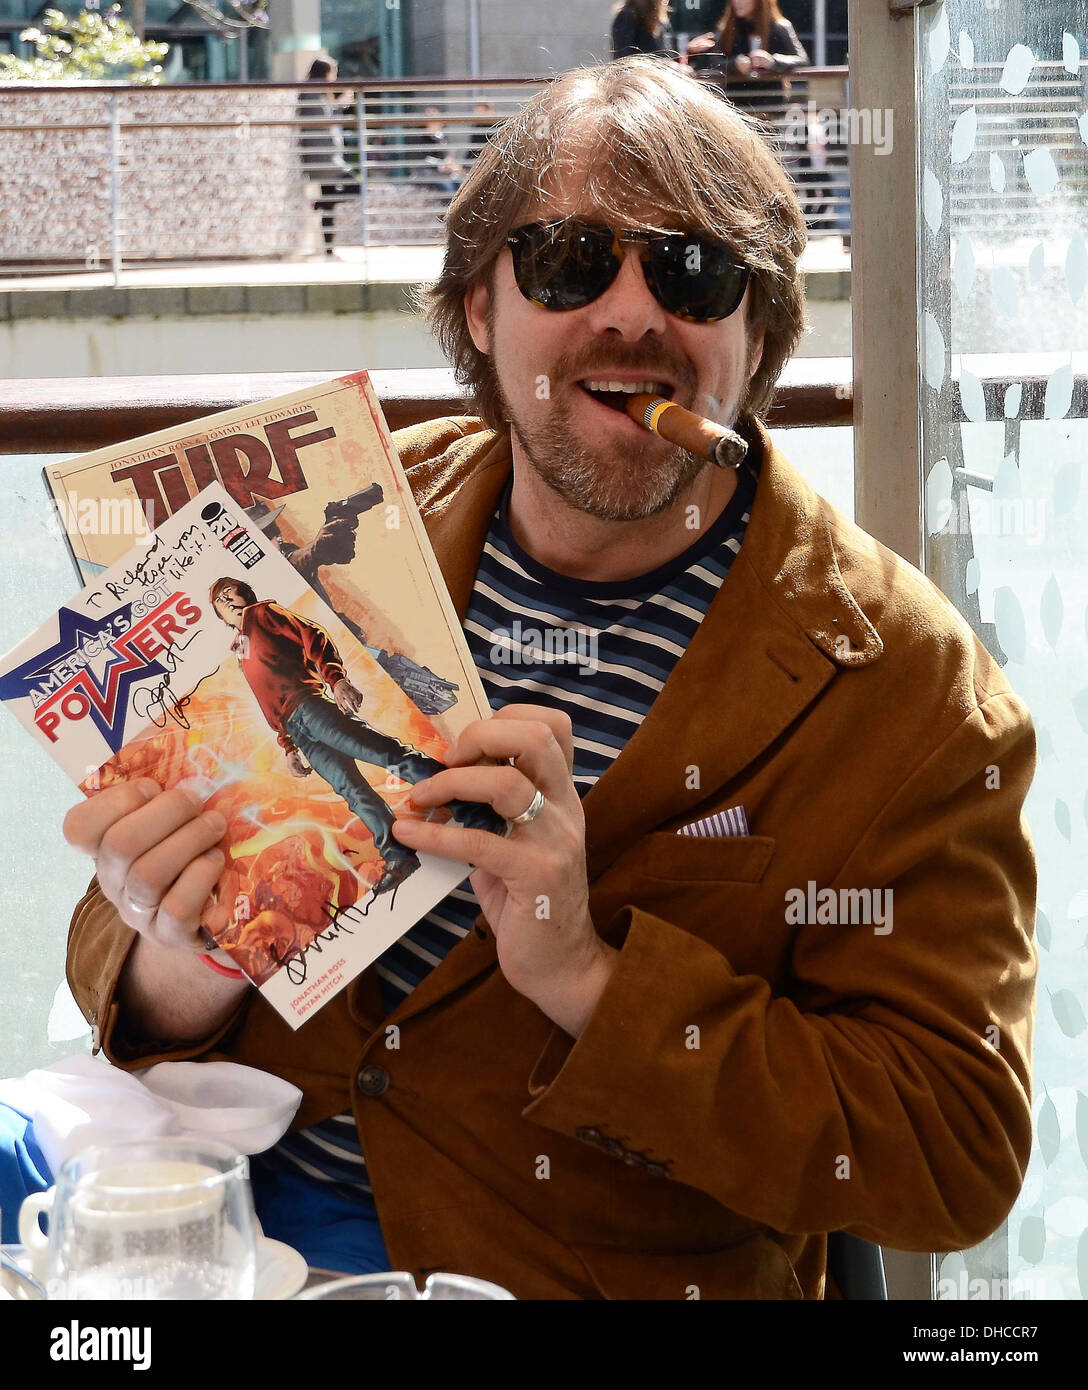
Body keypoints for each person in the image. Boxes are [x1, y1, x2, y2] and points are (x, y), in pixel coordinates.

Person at [50, 58, 1036, 1299]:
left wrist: (588, 977)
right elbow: (120, 944)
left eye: (691, 269)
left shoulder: (906, 691)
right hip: (227, 1233)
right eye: (567, 261)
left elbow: (951, 1154)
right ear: (477, 307)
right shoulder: (332, 514)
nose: (629, 315)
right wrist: (180, 958)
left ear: (757, 330)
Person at [208, 578, 504, 902]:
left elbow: (313, 635)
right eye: (220, 601)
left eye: (229, 593)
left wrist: (336, 680)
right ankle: (397, 854)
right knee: (350, 789)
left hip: (310, 707)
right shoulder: (240, 648)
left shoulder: (263, 614)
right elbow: (265, 698)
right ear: (220, 616)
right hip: (296, 730)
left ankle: (476, 812)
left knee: (387, 755)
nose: (228, 601)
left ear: (246, 593)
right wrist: (288, 746)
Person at [688, 0, 809, 110]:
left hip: (771, 105)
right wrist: (735, 64)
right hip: (737, 106)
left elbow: (802, 60)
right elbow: (714, 62)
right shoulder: (726, 29)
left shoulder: (780, 27)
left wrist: (772, 62)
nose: (737, 2)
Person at [296, 56, 359, 257]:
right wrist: (341, 104)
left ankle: (329, 250)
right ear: (324, 74)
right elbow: (323, 121)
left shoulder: (315, 93)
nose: (335, 78)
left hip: (325, 157)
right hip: (323, 160)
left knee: (330, 203)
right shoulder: (311, 94)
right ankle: (317, 204)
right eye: (333, 73)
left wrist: (340, 105)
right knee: (356, 186)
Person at [403, 105, 463, 197]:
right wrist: (443, 166)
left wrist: (452, 165)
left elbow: (447, 155)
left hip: (442, 173)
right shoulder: (419, 137)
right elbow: (421, 159)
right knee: (448, 188)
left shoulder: (442, 137)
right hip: (426, 172)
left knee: (460, 184)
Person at [610, 0, 682, 61]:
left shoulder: (663, 18)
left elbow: (670, 53)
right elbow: (623, 59)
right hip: (641, 75)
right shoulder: (628, 16)